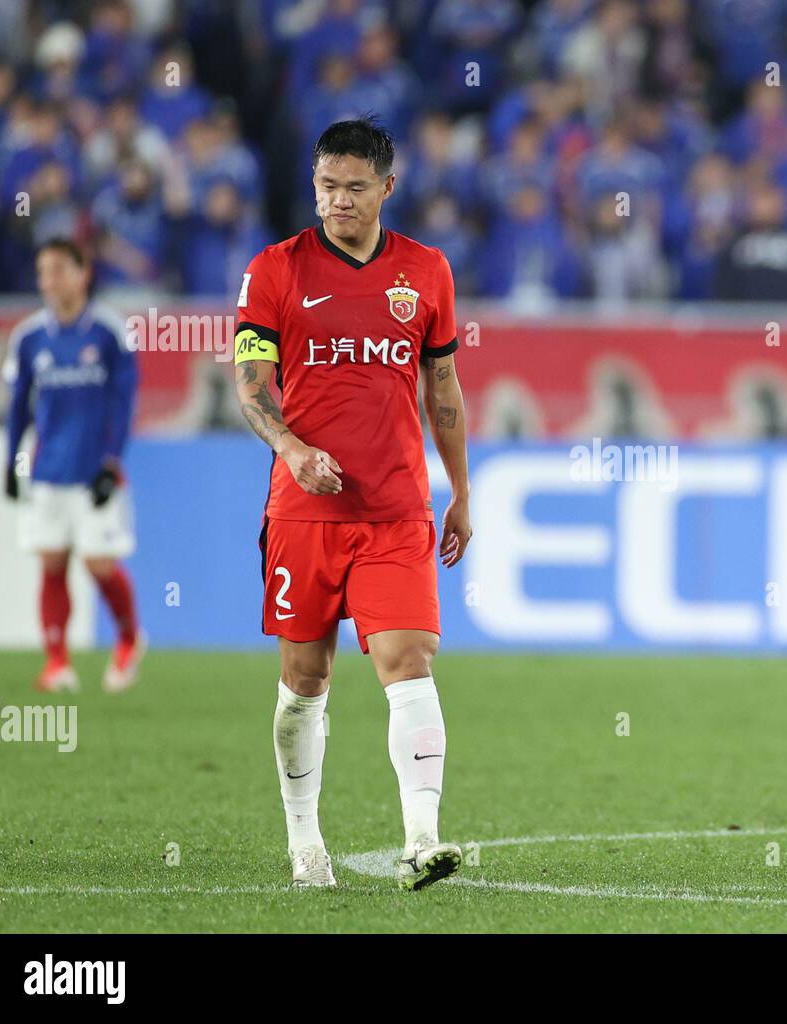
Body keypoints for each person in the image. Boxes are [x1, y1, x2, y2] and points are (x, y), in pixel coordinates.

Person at [233, 117, 472, 890]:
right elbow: (251, 386)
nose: (338, 200)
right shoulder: (274, 270)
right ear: (314, 183)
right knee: (305, 682)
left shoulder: (427, 272)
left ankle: (424, 838)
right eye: (327, 186)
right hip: (303, 512)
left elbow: (443, 390)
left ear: (386, 190)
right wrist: (294, 452)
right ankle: (305, 841)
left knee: (409, 660)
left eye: (355, 188)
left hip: (396, 507)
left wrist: (461, 490)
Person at [4, 238, 144, 693]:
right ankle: (57, 662)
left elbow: (124, 405)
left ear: (83, 273)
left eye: (59, 270)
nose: (49, 280)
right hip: (48, 471)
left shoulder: (109, 331)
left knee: (99, 564)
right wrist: (12, 461)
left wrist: (111, 462)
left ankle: (128, 639)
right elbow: (18, 407)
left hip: (94, 473)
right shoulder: (27, 338)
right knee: (51, 562)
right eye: (43, 271)